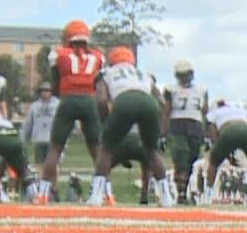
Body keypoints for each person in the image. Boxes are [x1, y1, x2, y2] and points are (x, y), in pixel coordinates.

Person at [90, 46, 174, 206]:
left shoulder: (106, 73)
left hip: (124, 101)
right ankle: (166, 197)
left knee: (106, 148)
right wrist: (157, 125)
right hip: (149, 103)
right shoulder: (143, 74)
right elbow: (162, 101)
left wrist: (106, 122)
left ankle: (96, 195)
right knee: (152, 150)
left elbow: (101, 100)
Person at [37, 20, 105, 203]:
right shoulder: (98, 56)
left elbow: (54, 82)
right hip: (90, 100)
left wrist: (65, 94)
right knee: (96, 148)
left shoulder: (58, 54)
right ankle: (105, 192)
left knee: (55, 148)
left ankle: (43, 193)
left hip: (68, 99)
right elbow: (100, 84)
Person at [163, 59, 208, 204]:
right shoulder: (171, 89)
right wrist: (163, 133)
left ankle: (184, 191)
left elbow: (205, 113)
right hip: (178, 124)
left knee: (191, 161)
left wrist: (207, 135)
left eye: (187, 74)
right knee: (180, 158)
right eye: (181, 75)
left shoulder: (202, 90)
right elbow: (166, 111)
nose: (185, 78)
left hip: (195, 125)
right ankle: (181, 194)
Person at [22, 83, 57, 166]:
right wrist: (25, 137)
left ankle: (53, 179)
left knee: (53, 163)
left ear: (51, 92)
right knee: (40, 163)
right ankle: (42, 179)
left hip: (53, 139)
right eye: (42, 91)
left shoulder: (57, 104)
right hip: (39, 139)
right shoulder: (34, 106)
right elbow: (29, 123)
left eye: (47, 91)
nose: (45, 93)